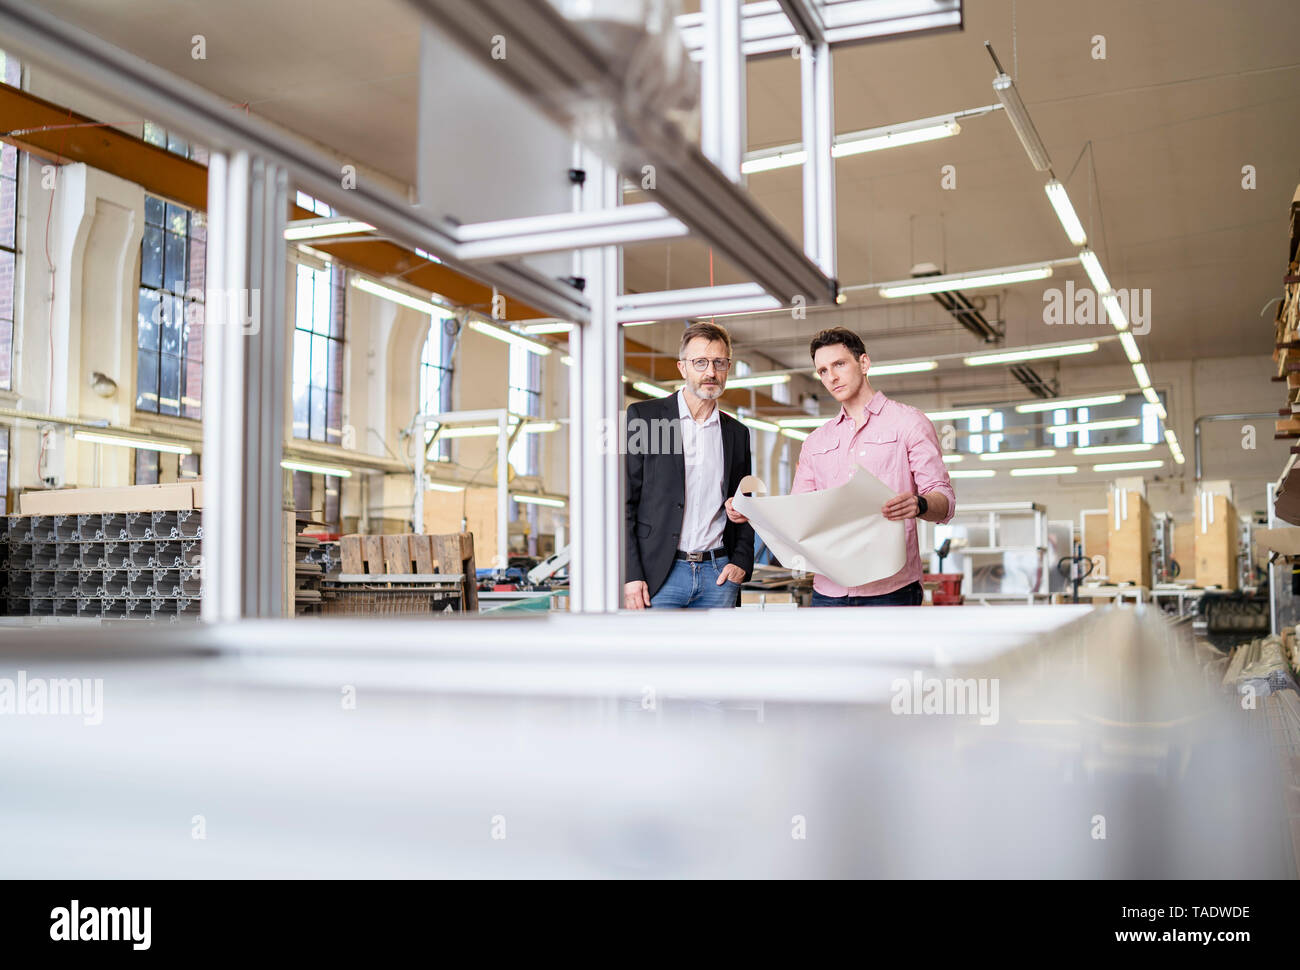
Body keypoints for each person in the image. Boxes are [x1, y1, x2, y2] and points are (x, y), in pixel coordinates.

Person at [725, 327, 955, 606]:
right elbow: (799, 514)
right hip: (829, 592)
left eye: (839, 364)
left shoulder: (909, 423)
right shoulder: (815, 441)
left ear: (864, 363)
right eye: (822, 371)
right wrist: (753, 512)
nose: (831, 377)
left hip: (892, 589)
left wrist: (920, 504)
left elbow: (944, 500)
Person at [624, 321, 755, 609]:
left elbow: (746, 504)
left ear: (727, 368)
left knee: (718, 656)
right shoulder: (647, 419)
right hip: (660, 576)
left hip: (718, 575)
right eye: (700, 362)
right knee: (659, 656)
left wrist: (741, 562)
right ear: (682, 368)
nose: (710, 372)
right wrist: (631, 574)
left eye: (719, 362)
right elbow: (624, 503)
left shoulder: (736, 433)